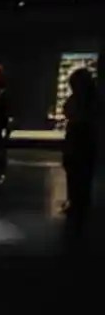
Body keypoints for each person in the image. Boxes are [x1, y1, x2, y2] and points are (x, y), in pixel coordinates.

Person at [62, 67, 98, 240]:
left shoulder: (87, 102)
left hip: (80, 140)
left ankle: (78, 207)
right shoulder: (91, 100)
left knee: (79, 175)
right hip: (80, 141)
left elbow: (69, 112)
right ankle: (77, 205)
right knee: (78, 174)